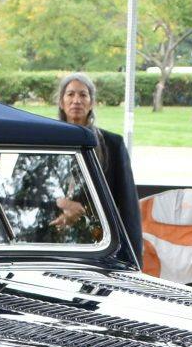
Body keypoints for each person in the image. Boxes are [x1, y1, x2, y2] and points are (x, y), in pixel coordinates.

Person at [52, 71, 143, 261]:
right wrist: (61, 203)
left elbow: (128, 207)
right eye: (70, 94)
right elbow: (33, 191)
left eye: (83, 95)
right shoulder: (45, 142)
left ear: (91, 102)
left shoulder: (112, 145)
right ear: (61, 102)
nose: (76, 100)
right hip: (52, 240)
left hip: (99, 246)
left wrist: (134, 258)